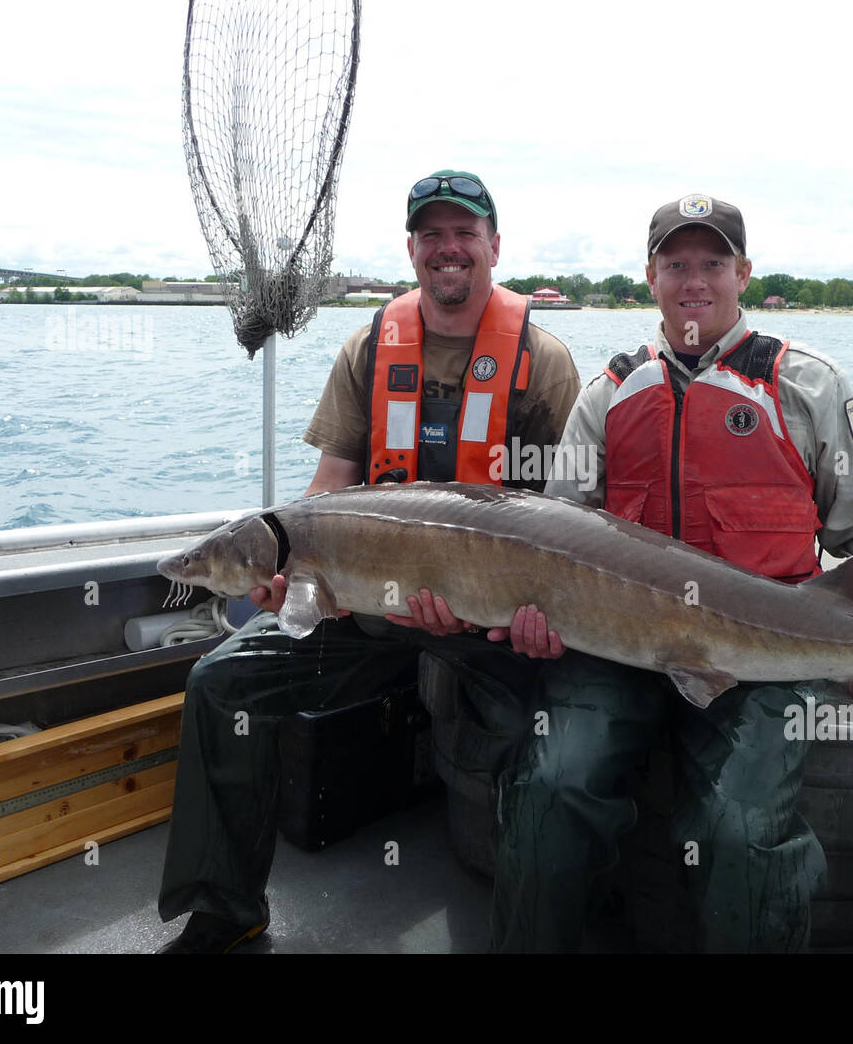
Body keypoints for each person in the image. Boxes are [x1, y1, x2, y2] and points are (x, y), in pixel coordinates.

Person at [490, 193, 853, 953]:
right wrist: (531, 618)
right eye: (675, 263)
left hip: (763, 659)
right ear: (650, 277)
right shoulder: (608, 393)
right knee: (552, 784)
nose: (693, 279)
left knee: (738, 825)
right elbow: (549, 535)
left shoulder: (808, 384)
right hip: (617, 651)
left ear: (743, 273)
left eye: (712, 262)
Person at [157, 170, 579, 953]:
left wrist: (519, 620)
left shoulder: (542, 360)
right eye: (432, 234)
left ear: (494, 245)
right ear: (413, 248)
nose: (448, 248)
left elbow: (572, 522)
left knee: (559, 747)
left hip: (490, 623)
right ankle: (226, 910)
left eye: (464, 233)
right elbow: (327, 491)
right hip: (365, 608)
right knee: (220, 682)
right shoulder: (369, 346)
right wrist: (288, 577)